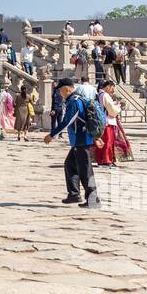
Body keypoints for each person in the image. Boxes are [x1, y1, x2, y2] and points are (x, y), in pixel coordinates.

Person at [45, 78, 100, 208]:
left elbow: (67, 121)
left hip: (80, 139)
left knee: (85, 170)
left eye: (60, 91)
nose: (59, 93)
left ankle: (93, 199)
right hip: (79, 140)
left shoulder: (74, 102)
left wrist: (52, 134)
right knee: (70, 165)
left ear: (67, 89)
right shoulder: (77, 99)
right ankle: (74, 194)